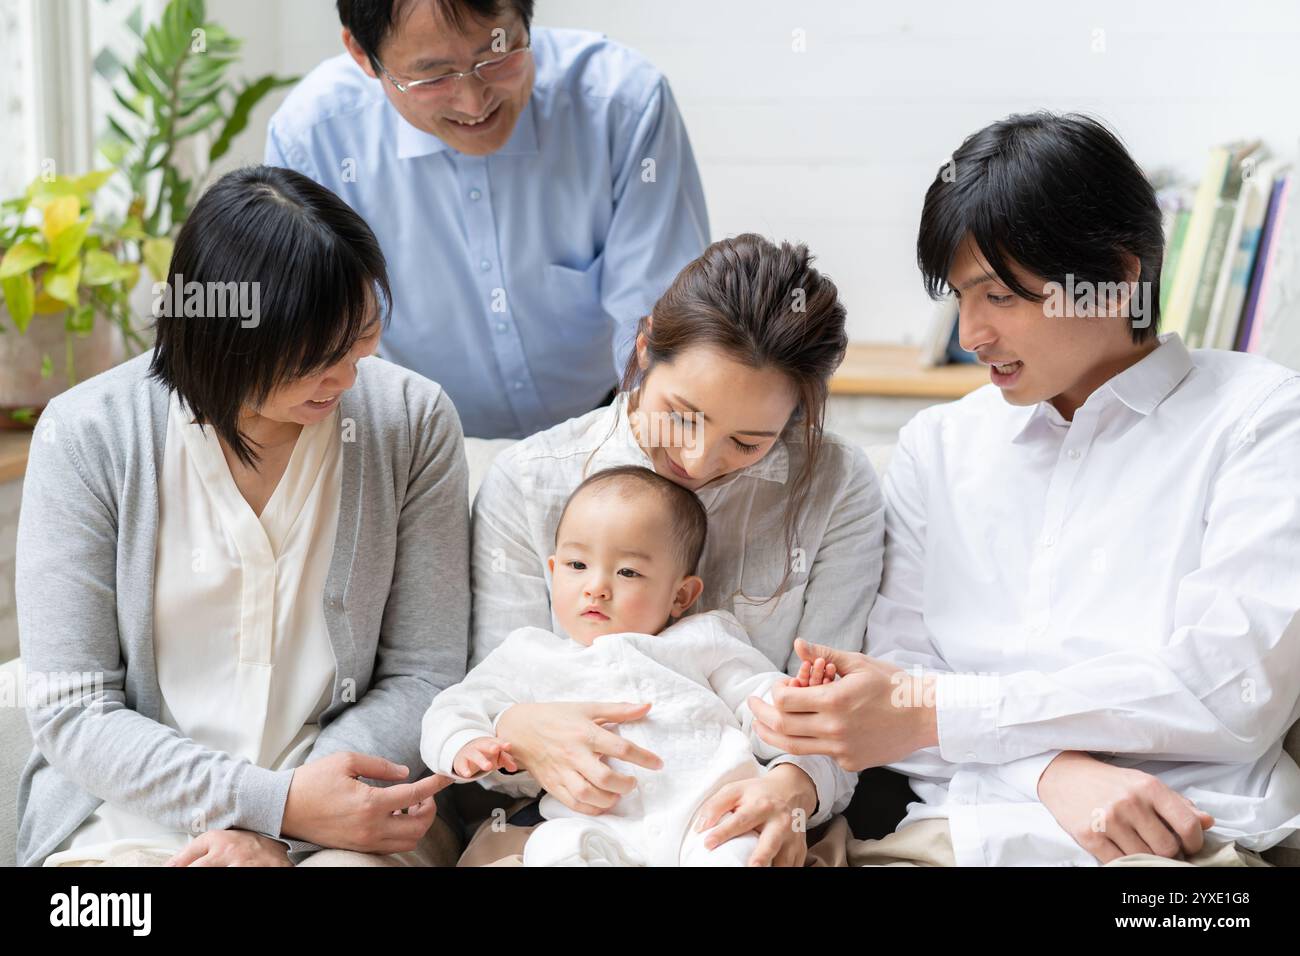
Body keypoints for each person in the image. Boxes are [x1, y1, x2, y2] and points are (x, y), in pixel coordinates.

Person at [750, 112, 1300, 867]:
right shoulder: (938, 448)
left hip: (1186, 844)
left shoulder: (1261, 418)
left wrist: (937, 713)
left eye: (1000, 296)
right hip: (943, 836)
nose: (971, 333)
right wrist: (1050, 771)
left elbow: (1226, 692)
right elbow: (893, 703)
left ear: (1115, 276)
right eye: (959, 295)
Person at [16, 165, 470, 867]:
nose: (349, 378)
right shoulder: (87, 436)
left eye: (363, 336)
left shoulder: (410, 421)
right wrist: (265, 802)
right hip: (130, 810)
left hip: (349, 814)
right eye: (319, 358)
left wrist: (290, 821)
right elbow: (75, 708)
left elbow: (424, 670)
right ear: (223, 343)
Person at [460, 233, 885, 866]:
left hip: (746, 817)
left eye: (747, 442)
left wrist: (795, 786)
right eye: (680, 417)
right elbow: (490, 704)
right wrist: (517, 732)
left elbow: (832, 722)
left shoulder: (834, 486)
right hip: (568, 818)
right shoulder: (532, 480)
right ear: (643, 346)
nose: (697, 460)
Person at [266, 0, 710, 439]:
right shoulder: (313, 138)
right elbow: (315, 343)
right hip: (418, 436)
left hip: (605, 418)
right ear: (363, 54)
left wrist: (638, 452)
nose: (474, 102)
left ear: (524, 21)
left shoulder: (622, 104)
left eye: (496, 56)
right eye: (434, 75)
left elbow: (661, 322)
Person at [423, 465, 842, 865]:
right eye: (577, 565)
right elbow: (451, 708)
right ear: (552, 573)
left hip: (710, 816)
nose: (596, 587)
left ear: (681, 595)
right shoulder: (529, 655)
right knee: (553, 847)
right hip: (595, 825)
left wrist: (792, 700)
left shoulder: (705, 639)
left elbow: (759, 702)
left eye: (627, 571)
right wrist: (463, 744)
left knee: (736, 853)